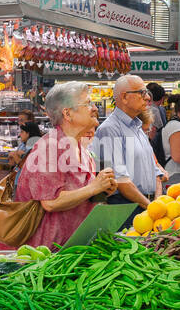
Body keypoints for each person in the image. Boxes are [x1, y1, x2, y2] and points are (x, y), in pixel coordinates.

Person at [14, 82, 116, 247]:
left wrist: (102, 189)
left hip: (74, 247)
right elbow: (50, 202)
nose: (94, 108)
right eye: (87, 104)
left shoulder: (82, 149)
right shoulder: (49, 147)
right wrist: (94, 188)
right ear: (67, 114)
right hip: (46, 253)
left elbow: (82, 194)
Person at [93, 74, 159, 208]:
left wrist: (156, 202)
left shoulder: (138, 127)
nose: (147, 97)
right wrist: (150, 207)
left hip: (147, 205)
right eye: (142, 93)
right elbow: (121, 180)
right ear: (124, 97)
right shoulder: (110, 129)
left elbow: (155, 170)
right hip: (127, 207)